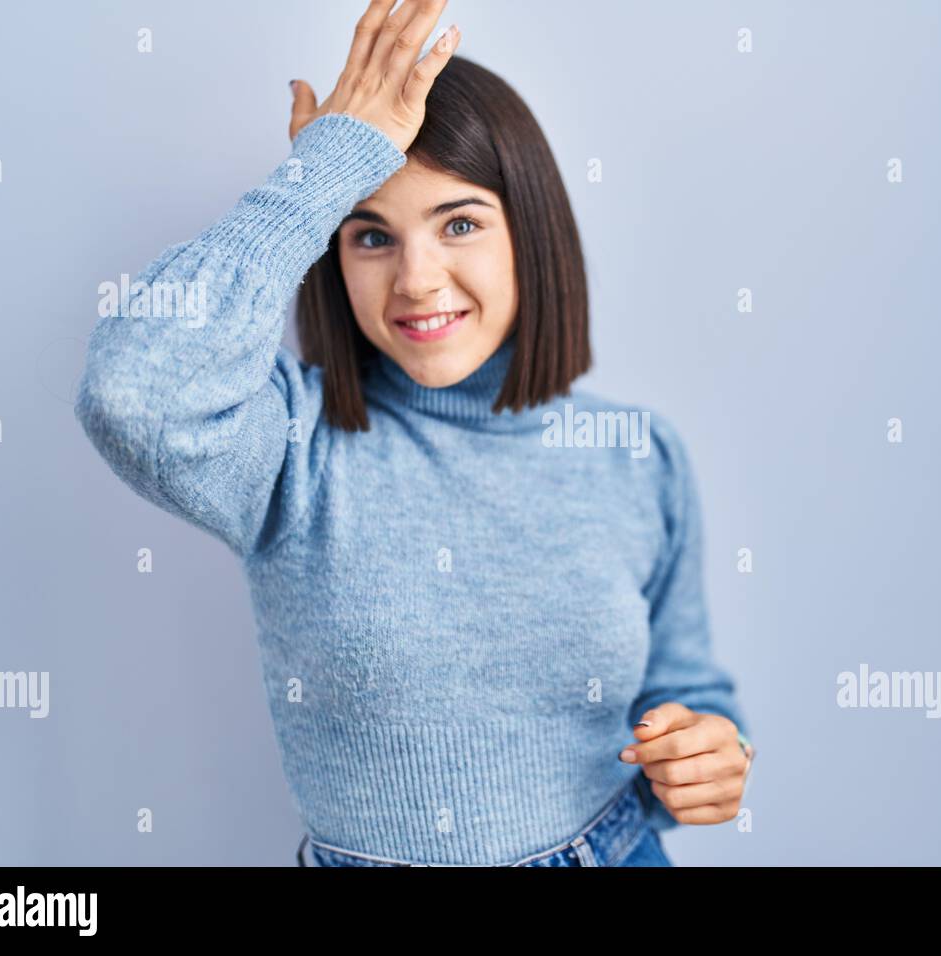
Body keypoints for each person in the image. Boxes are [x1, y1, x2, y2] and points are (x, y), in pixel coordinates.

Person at [74, 0, 754, 867]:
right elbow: (132, 389)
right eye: (370, 235)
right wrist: (322, 173)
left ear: (529, 236)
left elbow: (686, 689)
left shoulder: (638, 454)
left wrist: (713, 752)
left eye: (460, 223)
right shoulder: (291, 443)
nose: (417, 280)